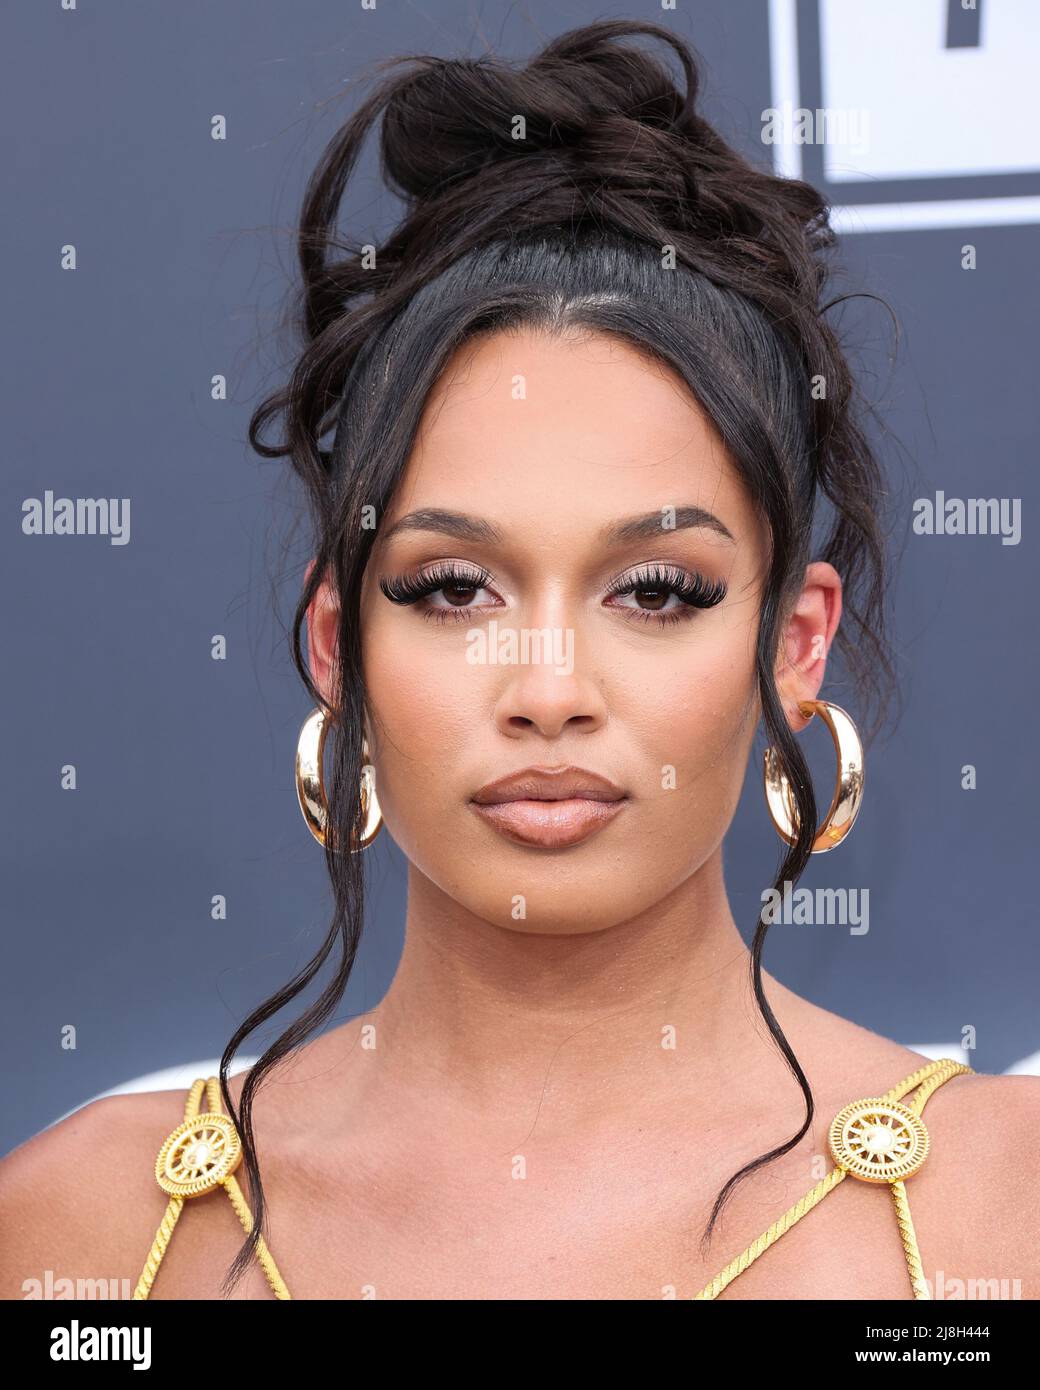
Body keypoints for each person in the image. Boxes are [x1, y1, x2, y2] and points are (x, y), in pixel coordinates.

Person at [2, 19, 1036, 1302]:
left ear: (792, 646)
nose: (548, 688)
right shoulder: (82, 1241)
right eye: (451, 588)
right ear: (339, 647)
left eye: (656, 590)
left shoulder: (1002, 1220)